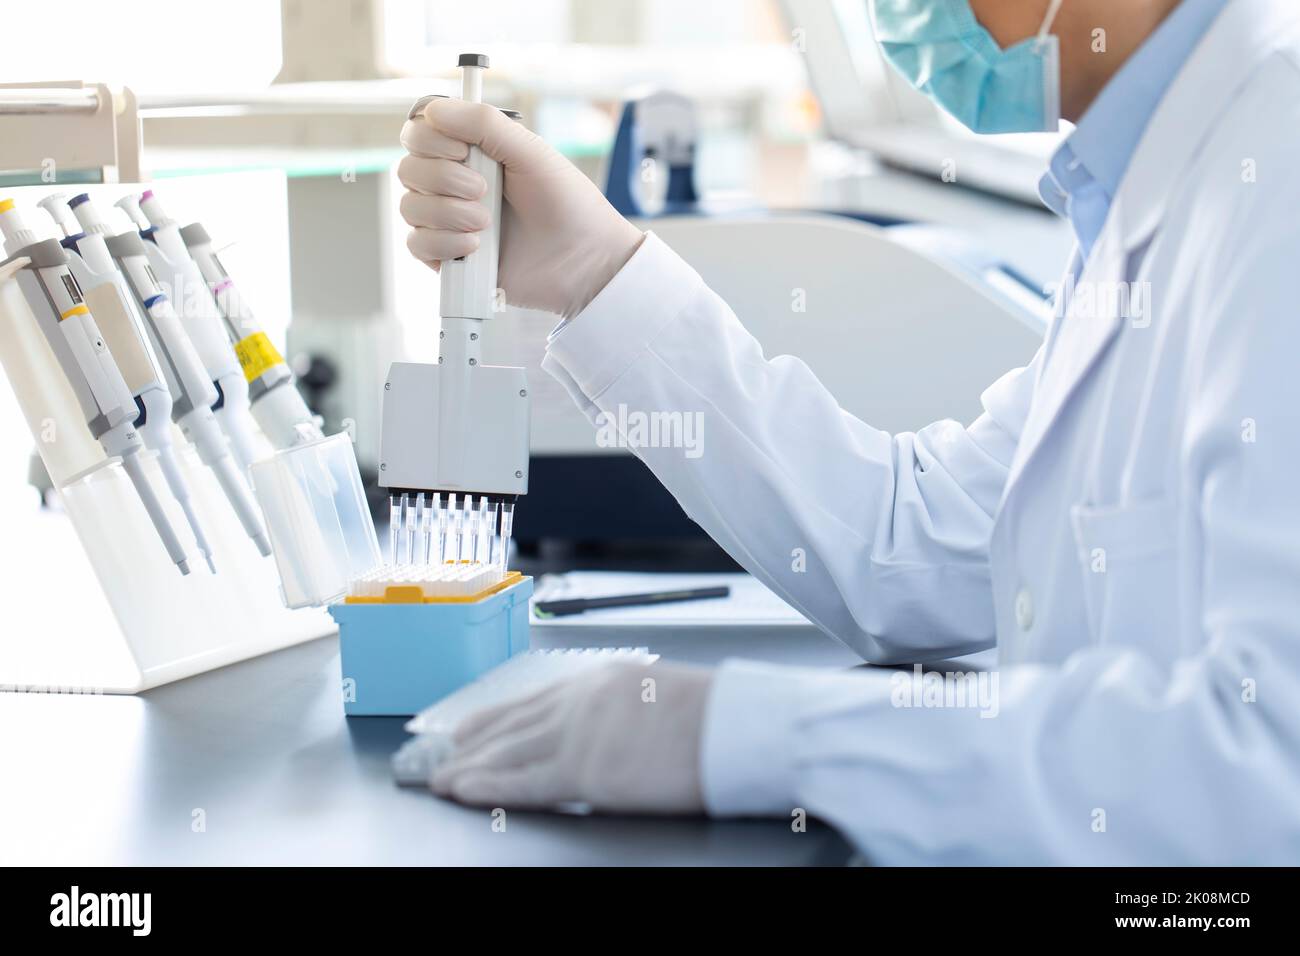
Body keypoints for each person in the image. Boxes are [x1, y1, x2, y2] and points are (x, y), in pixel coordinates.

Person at [394, 0, 1300, 864]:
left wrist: (757, 737)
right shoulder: (1155, 186)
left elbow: (1269, 769)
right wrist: (594, 271)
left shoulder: (1276, 167)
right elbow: (916, 547)